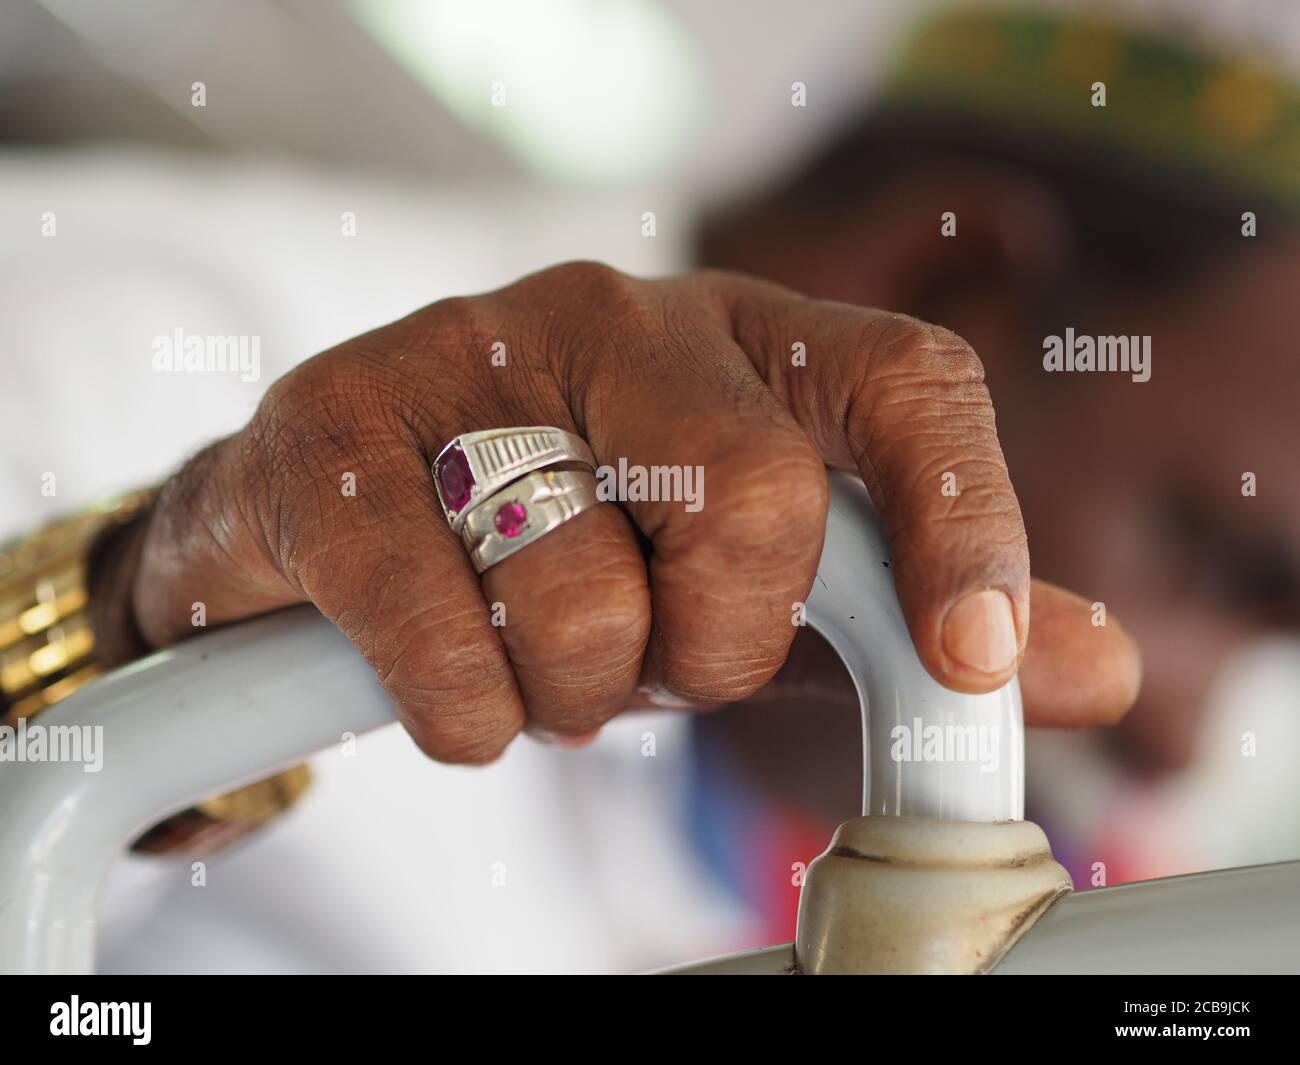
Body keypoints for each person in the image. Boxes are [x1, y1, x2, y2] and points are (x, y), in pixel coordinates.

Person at [2, 4, 1296, 970]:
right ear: (950, 288)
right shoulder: (120, 343)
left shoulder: (776, 818)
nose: (1176, 737)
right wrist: (114, 622)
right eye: (1212, 559)